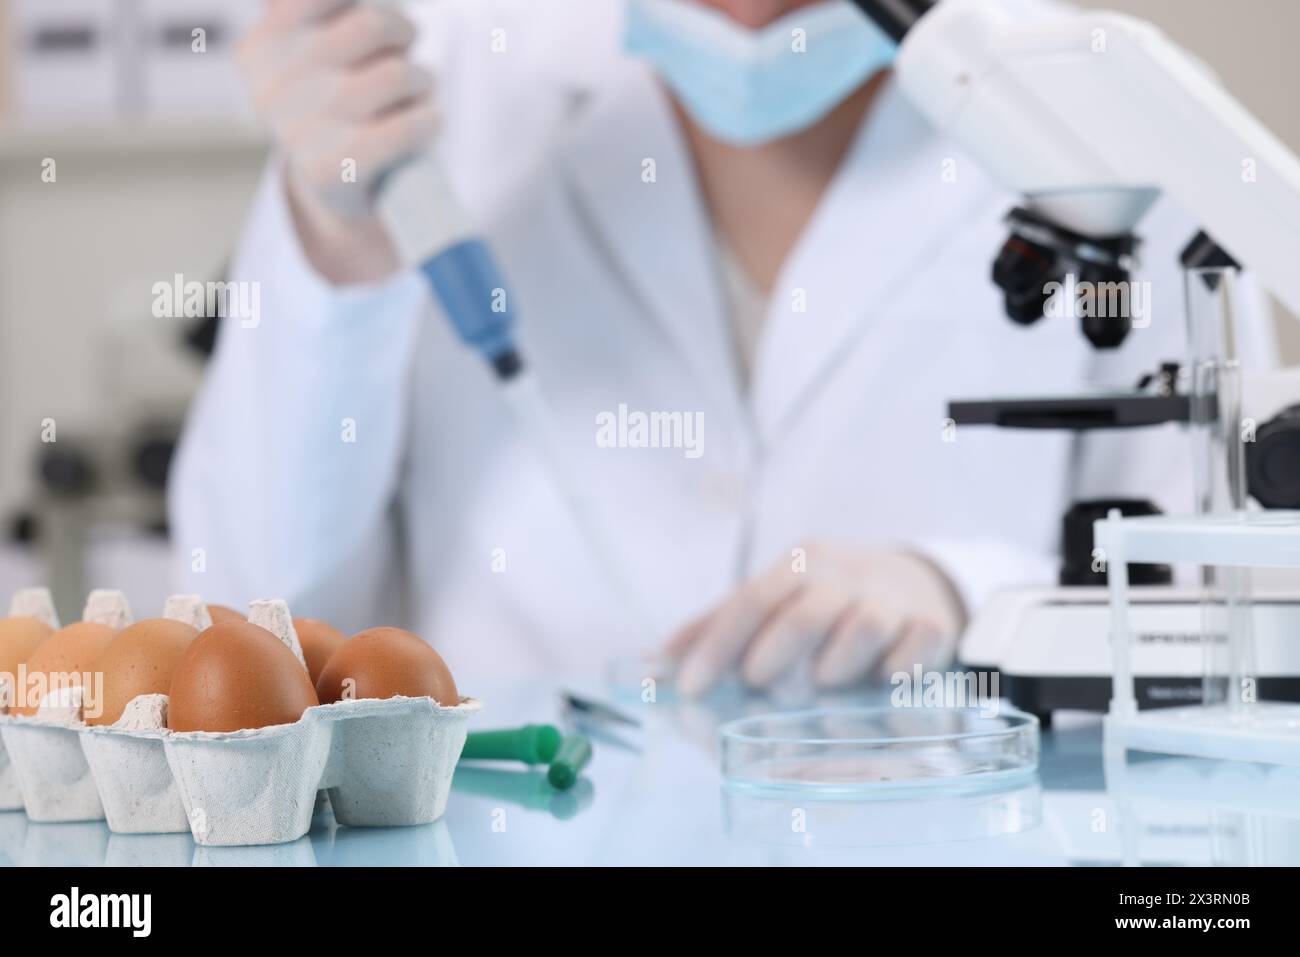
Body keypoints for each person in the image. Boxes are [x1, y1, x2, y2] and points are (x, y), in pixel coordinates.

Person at [170, 0, 1275, 693]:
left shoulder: (1104, 115)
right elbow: (248, 616)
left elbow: (1224, 612)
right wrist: (337, 251)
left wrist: (966, 594)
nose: (747, 16)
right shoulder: (421, 82)